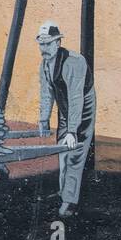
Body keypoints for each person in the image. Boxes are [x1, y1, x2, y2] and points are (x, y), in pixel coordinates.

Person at [36, 21, 96, 216]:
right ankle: (63, 191)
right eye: (41, 44)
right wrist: (44, 119)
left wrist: (72, 131)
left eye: (48, 44)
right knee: (62, 149)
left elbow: (76, 98)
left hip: (83, 108)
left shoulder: (74, 62)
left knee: (75, 152)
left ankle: (70, 201)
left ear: (58, 43)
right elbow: (46, 93)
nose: (44, 48)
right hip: (65, 107)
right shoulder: (45, 64)